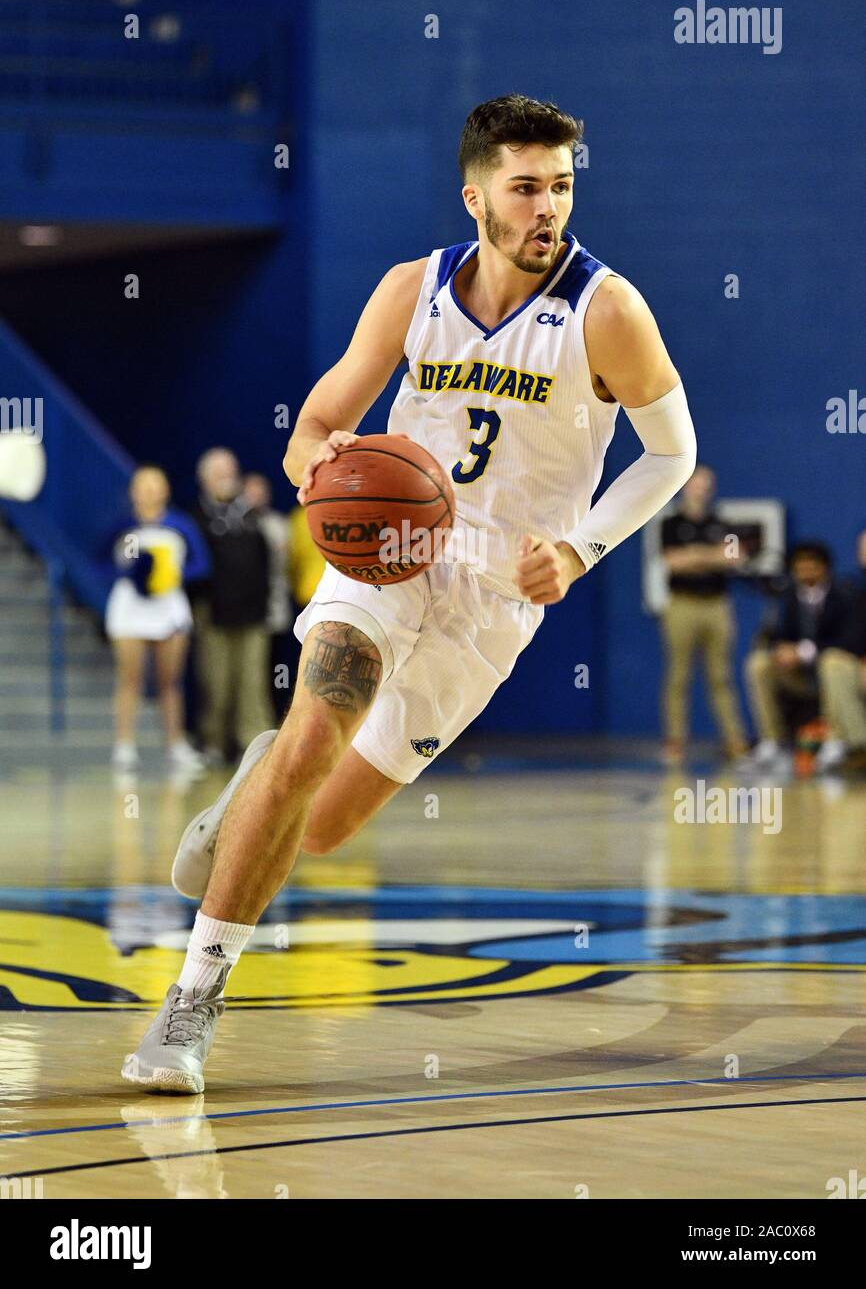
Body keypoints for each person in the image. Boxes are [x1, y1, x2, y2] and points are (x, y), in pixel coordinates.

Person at [122, 93, 697, 1092]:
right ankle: (191, 1001)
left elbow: (670, 455)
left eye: (560, 186)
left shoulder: (605, 310)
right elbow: (318, 421)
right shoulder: (411, 290)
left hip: (497, 597)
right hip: (388, 550)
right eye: (523, 188)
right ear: (473, 195)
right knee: (310, 740)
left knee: (327, 821)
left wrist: (576, 549)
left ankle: (257, 782)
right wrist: (319, 461)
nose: (546, 208)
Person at [105, 465, 210, 774]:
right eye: (143, 486)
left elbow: (201, 564)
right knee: (130, 679)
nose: (149, 491)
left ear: (165, 490)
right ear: (133, 491)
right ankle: (124, 746)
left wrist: (171, 577)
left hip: (168, 607)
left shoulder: (180, 525)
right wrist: (135, 578)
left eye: (155, 485)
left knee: (169, 681)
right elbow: (102, 562)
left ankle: (175, 745)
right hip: (131, 608)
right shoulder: (123, 527)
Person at [658, 465, 748, 764]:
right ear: (686, 485)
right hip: (682, 604)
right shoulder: (671, 524)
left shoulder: (722, 523)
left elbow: (735, 557)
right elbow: (674, 562)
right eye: (697, 484)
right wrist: (713, 556)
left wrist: (696, 555)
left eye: (707, 485)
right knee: (678, 675)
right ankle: (675, 743)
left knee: (721, 675)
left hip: (717, 605)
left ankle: (735, 742)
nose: (702, 490)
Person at [190, 449, 273, 765]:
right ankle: (213, 743)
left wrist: (265, 605)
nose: (227, 478)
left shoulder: (251, 517)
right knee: (216, 682)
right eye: (219, 473)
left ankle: (252, 747)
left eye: (230, 471)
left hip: (253, 614)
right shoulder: (197, 517)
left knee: (252, 683)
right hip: (214, 614)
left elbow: (265, 562)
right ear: (205, 478)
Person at [743, 541, 855, 773]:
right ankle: (772, 741)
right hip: (798, 676)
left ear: (825, 568)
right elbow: (772, 634)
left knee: (831, 661)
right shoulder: (786, 598)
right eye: (800, 567)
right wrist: (780, 650)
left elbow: (850, 640)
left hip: (833, 671)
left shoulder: (845, 594)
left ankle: (835, 740)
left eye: (811, 566)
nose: (805, 572)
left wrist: (805, 651)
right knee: (759, 664)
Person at [242, 472, 293, 718]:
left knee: (278, 667)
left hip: (276, 606)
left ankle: (277, 718)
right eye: (251, 491)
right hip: (248, 609)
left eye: (260, 491)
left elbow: (288, 565)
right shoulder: (237, 525)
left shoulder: (279, 524)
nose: (256, 497)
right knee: (252, 672)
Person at [815, 533, 866, 775]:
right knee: (832, 663)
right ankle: (858, 747)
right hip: (860, 664)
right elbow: (848, 638)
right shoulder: (852, 590)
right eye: (863, 548)